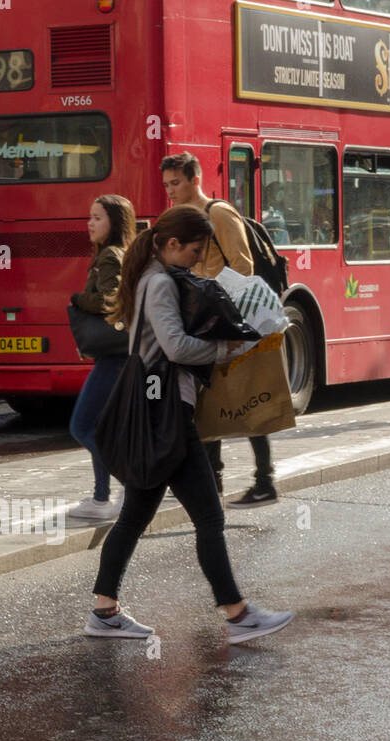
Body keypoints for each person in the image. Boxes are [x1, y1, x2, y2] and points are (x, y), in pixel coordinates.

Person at [85, 206, 294, 644]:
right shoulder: (159, 282)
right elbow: (175, 347)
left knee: (134, 517)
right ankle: (237, 614)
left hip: (157, 409)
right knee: (209, 516)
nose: (198, 261)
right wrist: (227, 351)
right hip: (167, 414)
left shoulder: (155, 277)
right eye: (195, 252)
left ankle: (104, 612)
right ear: (172, 244)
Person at [161, 152, 278, 508]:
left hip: (225, 320)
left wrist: (210, 297)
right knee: (207, 405)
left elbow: (242, 265)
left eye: (176, 183)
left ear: (195, 179)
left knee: (243, 401)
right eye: (166, 185)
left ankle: (264, 480)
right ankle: (213, 484)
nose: (171, 191)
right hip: (199, 323)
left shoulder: (218, 214)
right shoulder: (177, 218)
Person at [66, 195, 137, 521]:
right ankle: (100, 498)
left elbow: (111, 301)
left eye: (98, 217)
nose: (90, 223)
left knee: (82, 426)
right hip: (117, 354)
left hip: (115, 357)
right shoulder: (117, 253)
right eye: (89, 217)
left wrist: (79, 300)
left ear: (114, 223)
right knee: (99, 426)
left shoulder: (110, 256)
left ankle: (131, 484)